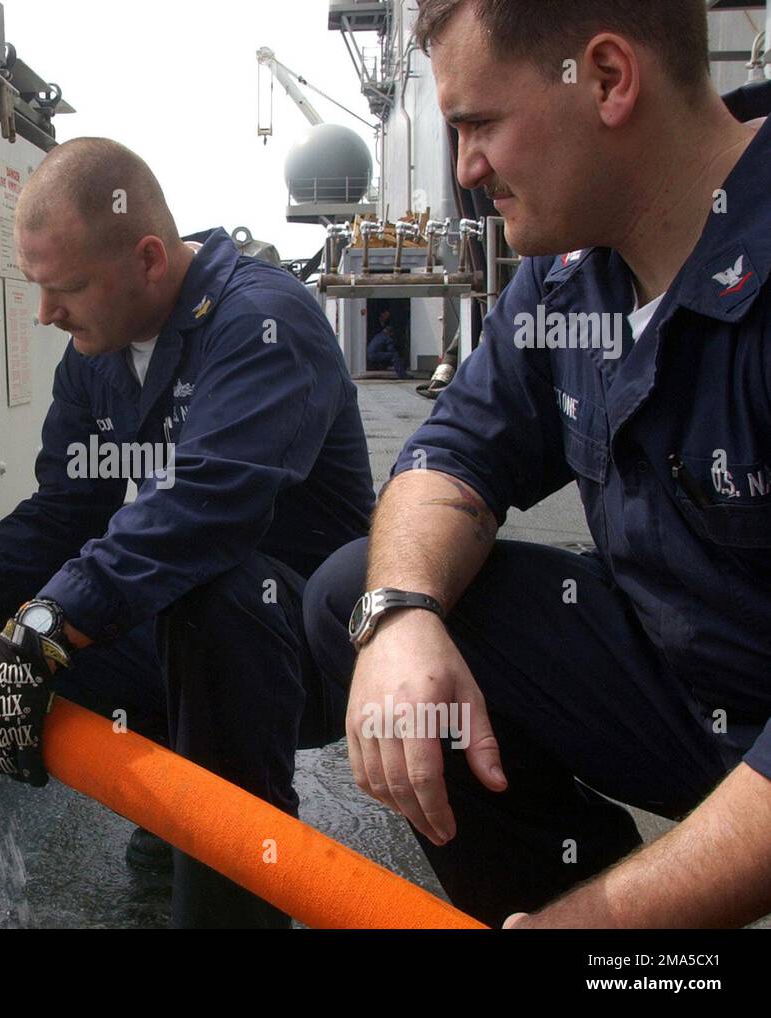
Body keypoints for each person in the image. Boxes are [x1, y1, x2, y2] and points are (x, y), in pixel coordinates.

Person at [303, 0, 771, 928]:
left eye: (479, 124)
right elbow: (453, 453)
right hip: (690, 687)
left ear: (606, 79)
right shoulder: (572, 276)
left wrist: (601, 924)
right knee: (356, 595)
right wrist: (401, 614)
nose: (467, 170)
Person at [0, 137, 375, 927]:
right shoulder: (96, 354)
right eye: (37, 288)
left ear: (145, 259)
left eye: (65, 288)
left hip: (308, 643)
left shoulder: (262, 323)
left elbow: (201, 512)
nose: (45, 314)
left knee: (208, 593)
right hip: (190, 628)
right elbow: (67, 510)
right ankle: (174, 799)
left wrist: (40, 633)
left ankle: (235, 890)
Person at [365, 309, 410, 378]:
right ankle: (402, 375)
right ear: (390, 333)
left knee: (388, 355)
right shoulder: (387, 338)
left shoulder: (378, 335)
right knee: (394, 355)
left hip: (368, 354)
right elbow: (391, 350)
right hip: (374, 355)